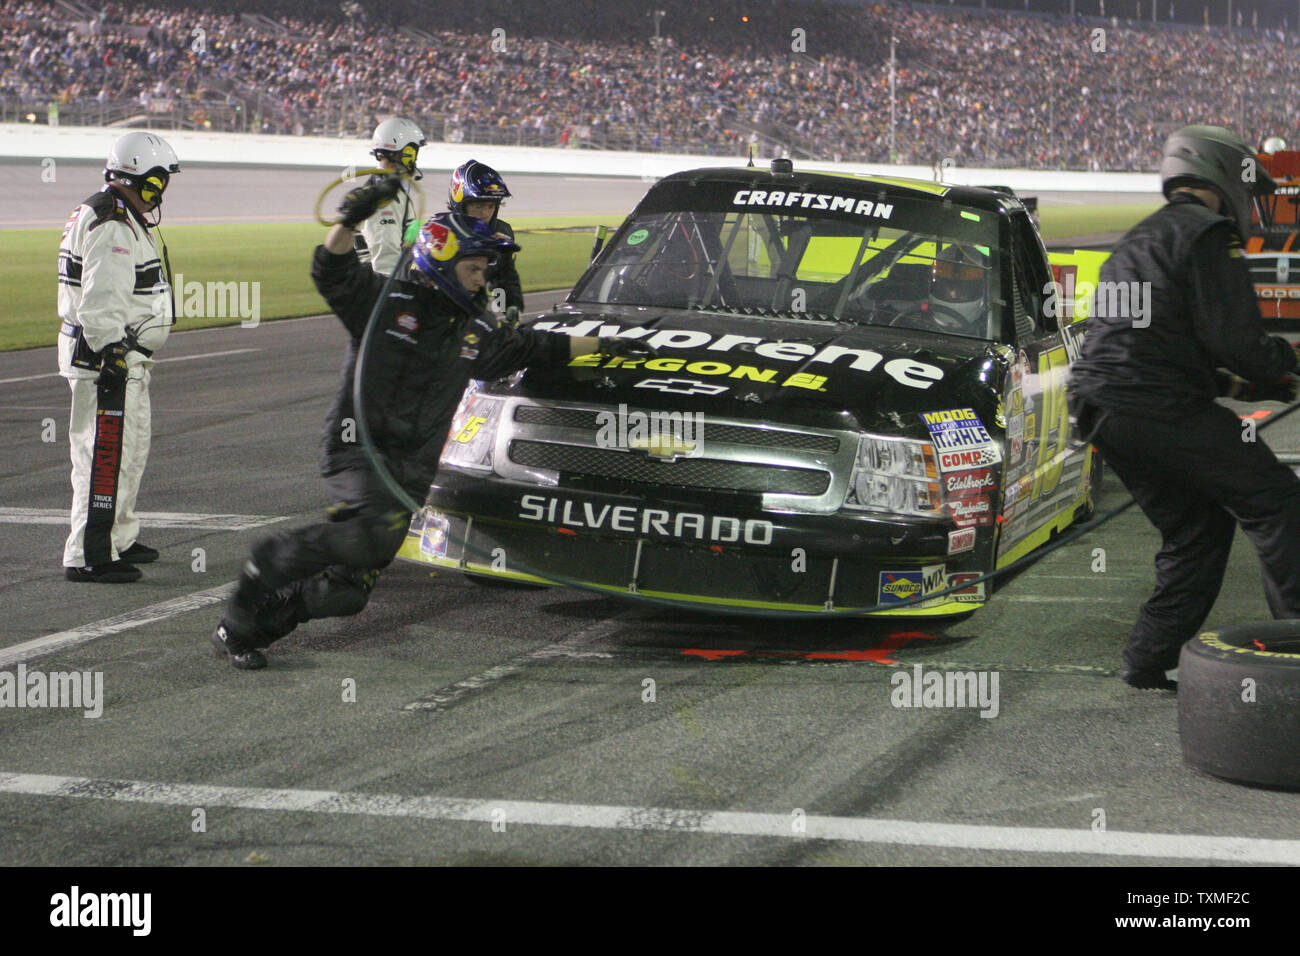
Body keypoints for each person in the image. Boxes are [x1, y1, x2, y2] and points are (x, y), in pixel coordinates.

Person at [210, 185, 654, 669]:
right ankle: (268, 560)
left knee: (345, 593)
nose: (482, 279)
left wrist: (603, 346)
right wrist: (350, 219)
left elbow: (533, 347)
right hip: (359, 449)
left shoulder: (476, 331)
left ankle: (242, 630)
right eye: (474, 268)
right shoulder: (383, 304)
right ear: (441, 263)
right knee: (369, 535)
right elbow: (330, 270)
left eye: (485, 269)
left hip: (411, 470)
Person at [1067, 124, 1300, 690]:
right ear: (1222, 174)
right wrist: (1281, 364)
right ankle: (1296, 650)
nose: (1250, 203)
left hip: (1107, 410)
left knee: (1196, 530)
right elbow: (1235, 339)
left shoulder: (1142, 237)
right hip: (1158, 406)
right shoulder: (1206, 233)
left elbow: (1158, 340)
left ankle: (1147, 660)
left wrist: (1250, 387)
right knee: (1278, 504)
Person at [58, 131, 179, 583]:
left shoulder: (119, 214)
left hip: (124, 359)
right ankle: (89, 554)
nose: (164, 189)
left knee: (128, 451)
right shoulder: (113, 222)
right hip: (108, 361)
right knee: (102, 454)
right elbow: (102, 297)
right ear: (146, 179)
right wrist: (113, 351)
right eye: (161, 179)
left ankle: (118, 536)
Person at [448, 159, 523, 322]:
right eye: (478, 206)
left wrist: (509, 306)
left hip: (473, 315)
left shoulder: (501, 235)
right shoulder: (439, 234)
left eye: (491, 206)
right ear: (460, 204)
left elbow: (503, 277)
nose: (485, 214)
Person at [355, 117, 425, 276]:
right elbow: (385, 262)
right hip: (379, 289)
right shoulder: (384, 199)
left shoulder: (391, 190)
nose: (414, 160)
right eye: (412, 153)